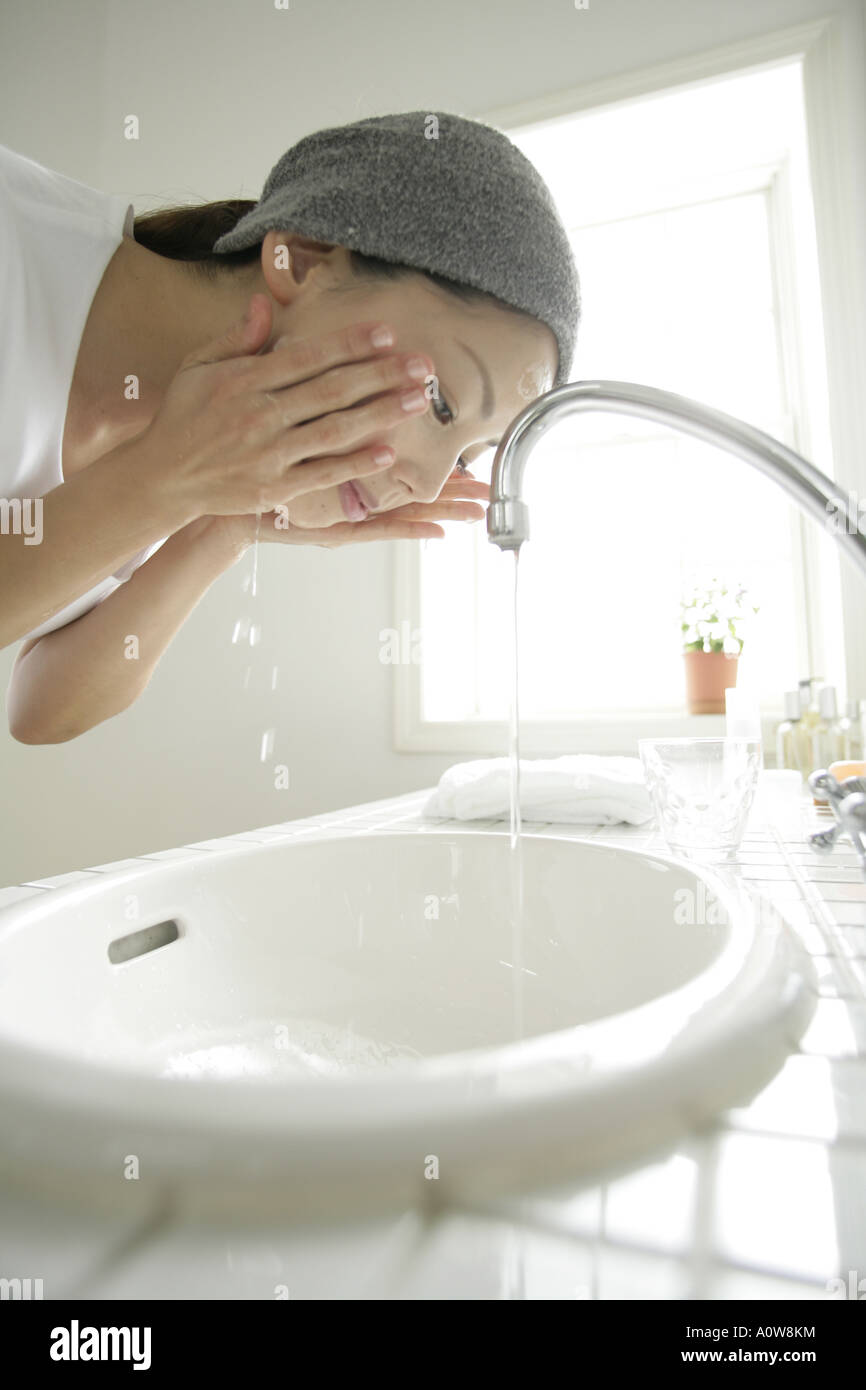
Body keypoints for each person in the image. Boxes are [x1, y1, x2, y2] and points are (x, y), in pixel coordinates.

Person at [1, 111, 580, 743]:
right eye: (440, 400)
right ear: (302, 258)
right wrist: (162, 482)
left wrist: (223, 522)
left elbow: (43, 709)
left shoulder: (184, 444)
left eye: (469, 456)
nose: (428, 481)